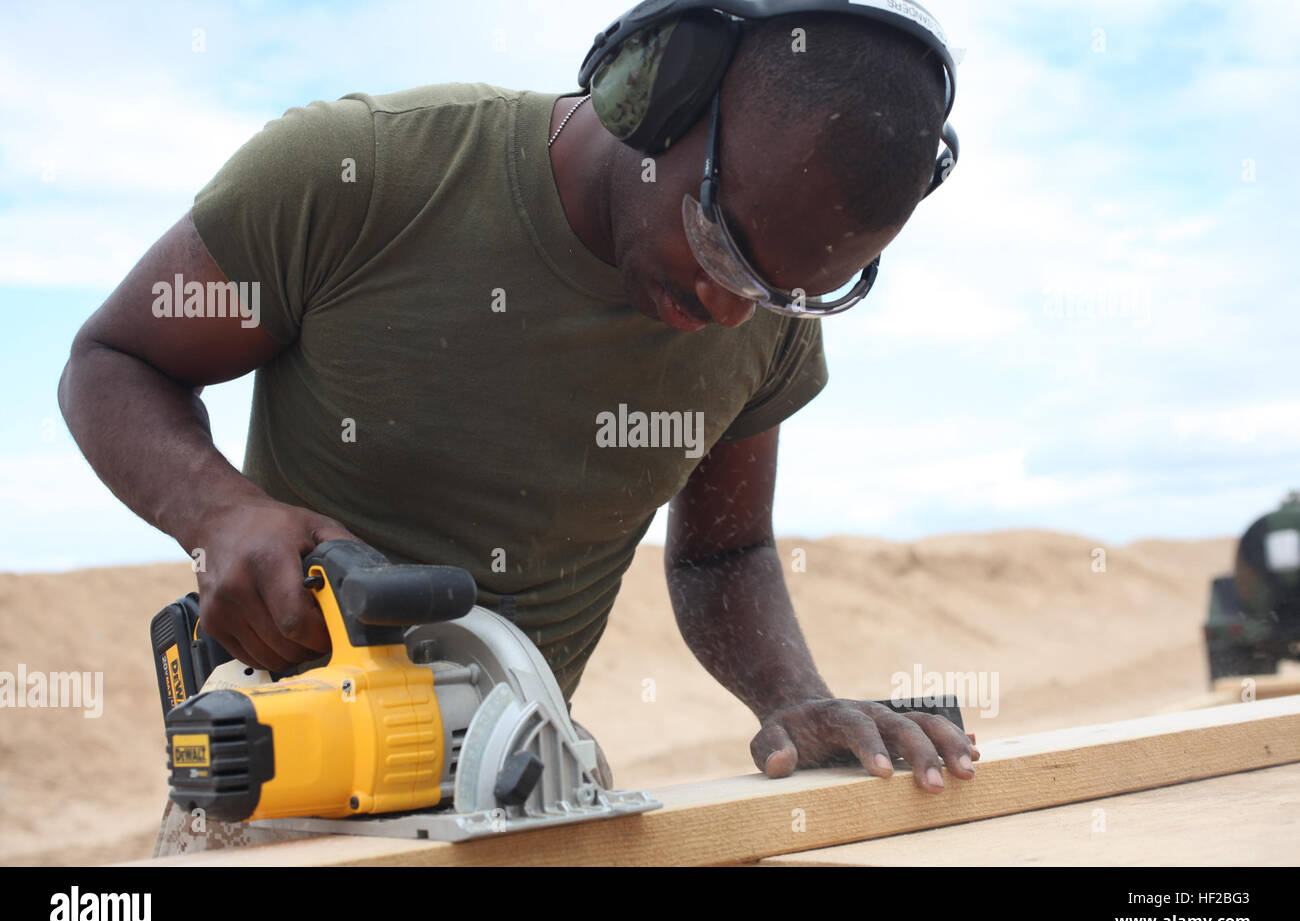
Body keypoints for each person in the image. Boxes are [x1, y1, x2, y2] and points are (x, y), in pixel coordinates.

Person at [58, 3, 978, 853]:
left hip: (529, 784)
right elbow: (112, 360)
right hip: (292, 795)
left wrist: (795, 696)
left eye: (789, 293)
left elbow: (721, 553)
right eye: (718, 242)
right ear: (655, 92)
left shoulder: (759, 318)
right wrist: (218, 511)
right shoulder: (364, 176)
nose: (732, 309)